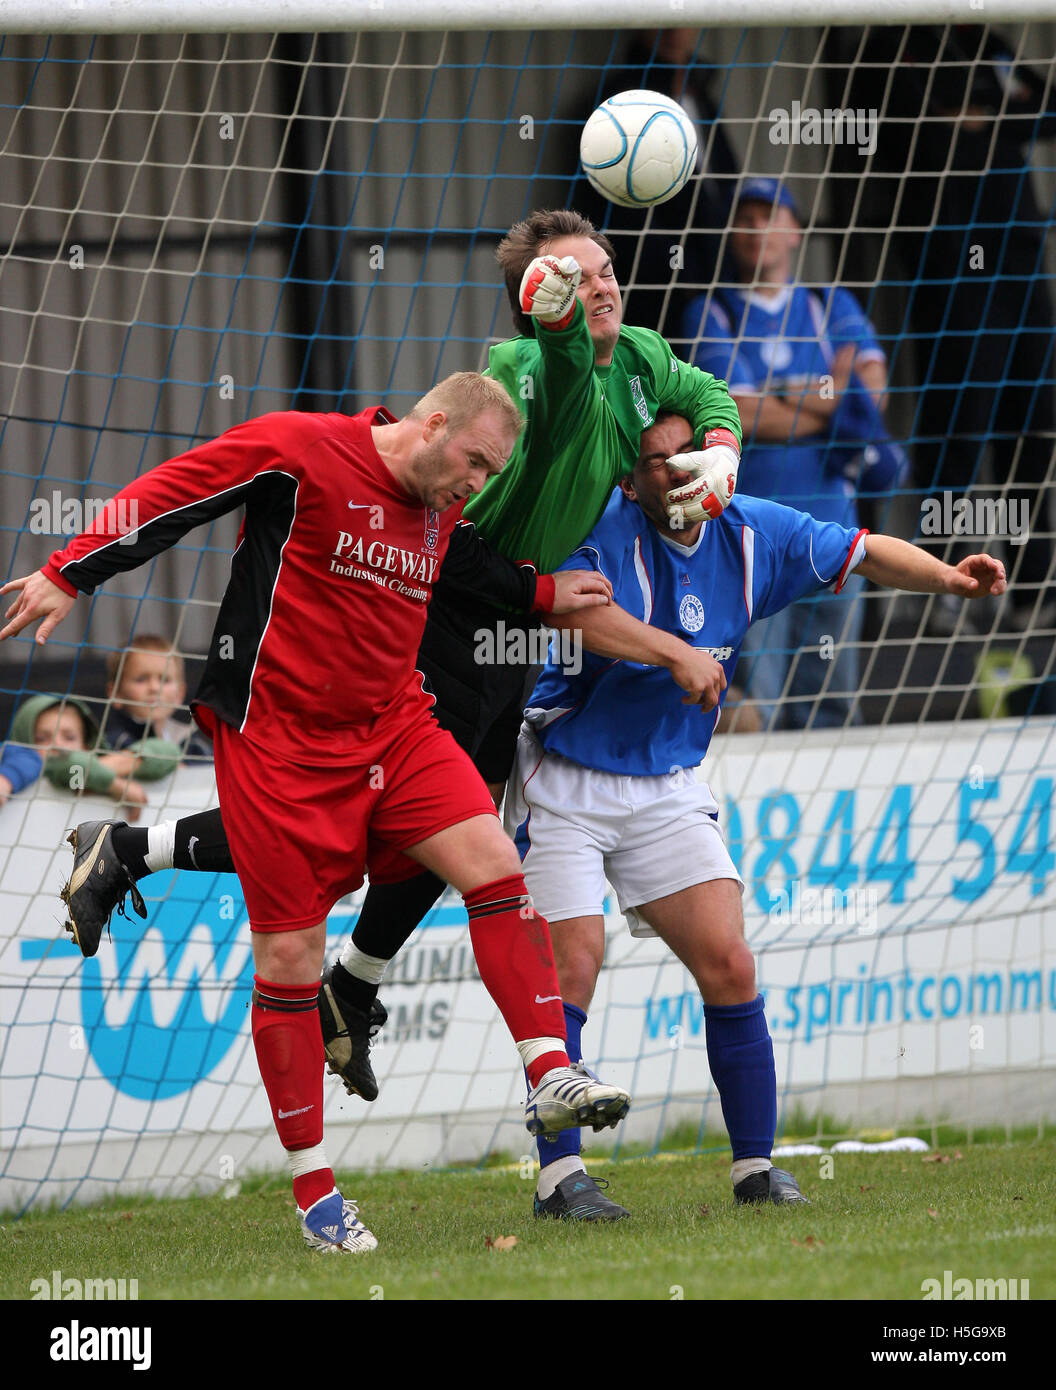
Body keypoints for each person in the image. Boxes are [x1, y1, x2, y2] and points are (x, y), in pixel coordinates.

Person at [40, 209, 742, 1145]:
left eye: (607, 268)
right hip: (456, 599)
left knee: (447, 827)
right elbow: (480, 495)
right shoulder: (523, 377)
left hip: (514, 619)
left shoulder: (645, 356)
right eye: (573, 279)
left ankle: (193, 889)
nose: (601, 285)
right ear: (541, 306)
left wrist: (723, 448)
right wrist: (535, 588)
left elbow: (709, 392)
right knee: (405, 826)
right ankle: (333, 985)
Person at [0, 373, 636, 1255]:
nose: (476, 485)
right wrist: (71, 570)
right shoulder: (301, 450)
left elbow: (460, 563)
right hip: (277, 744)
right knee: (291, 960)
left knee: (495, 865)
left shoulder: (439, 507)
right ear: (434, 422)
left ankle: (548, 1072)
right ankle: (314, 1191)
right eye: (477, 464)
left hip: (394, 727)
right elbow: (176, 491)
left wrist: (536, 597)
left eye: (490, 476)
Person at [505, 411, 1006, 1219]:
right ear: (628, 482)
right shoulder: (600, 529)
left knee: (731, 964)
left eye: (686, 455)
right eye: (654, 463)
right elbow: (573, 612)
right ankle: (560, 1180)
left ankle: (755, 1171)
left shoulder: (751, 532)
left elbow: (863, 550)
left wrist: (949, 577)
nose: (673, 471)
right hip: (567, 776)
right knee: (574, 965)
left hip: (666, 781)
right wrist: (675, 652)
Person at [846, 24, 1056, 631]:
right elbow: (909, 136)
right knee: (961, 426)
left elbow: (1043, 112)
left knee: (1032, 423)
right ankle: (942, 583)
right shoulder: (898, 44)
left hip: (1021, 259)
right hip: (953, 261)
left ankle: (1033, 585)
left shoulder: (989, 41)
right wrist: (983, 121)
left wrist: (979, 120)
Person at [683, 177, 906, 730]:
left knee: (830, 698)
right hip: (746, 534)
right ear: (733, 235)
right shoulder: (712, 313)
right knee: (750, 702)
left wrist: (779, 395)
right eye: (747, 219)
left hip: (833, 526)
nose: (758, 229)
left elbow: (871, 396)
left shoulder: (830, 305)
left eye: (770, 216)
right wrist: (825, 394)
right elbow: (734, 410)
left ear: (795, 230)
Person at [563, 28, 739, 337]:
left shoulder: (701, 96)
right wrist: (677, 272)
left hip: (717, 279)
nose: (672, 30)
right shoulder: (619, 105)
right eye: (659, 19)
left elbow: (726, 183)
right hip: (653, 289)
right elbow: (608, 209)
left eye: (681, 18)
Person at [11, 692, 180, 819]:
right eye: (42, 739)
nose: (57, 746)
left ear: (87, 745)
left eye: (69, 737)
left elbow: (170, 752)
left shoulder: (82, 771)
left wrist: (96, 770)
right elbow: (69, 770)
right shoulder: (10, 774)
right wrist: (115, 785)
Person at [105, 634, 213, 761]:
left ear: (180, 694)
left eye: (165, 680)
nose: (154, 688)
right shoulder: (111, 745)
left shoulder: (195, 746)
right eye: (141, 679)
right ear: (115, 692)